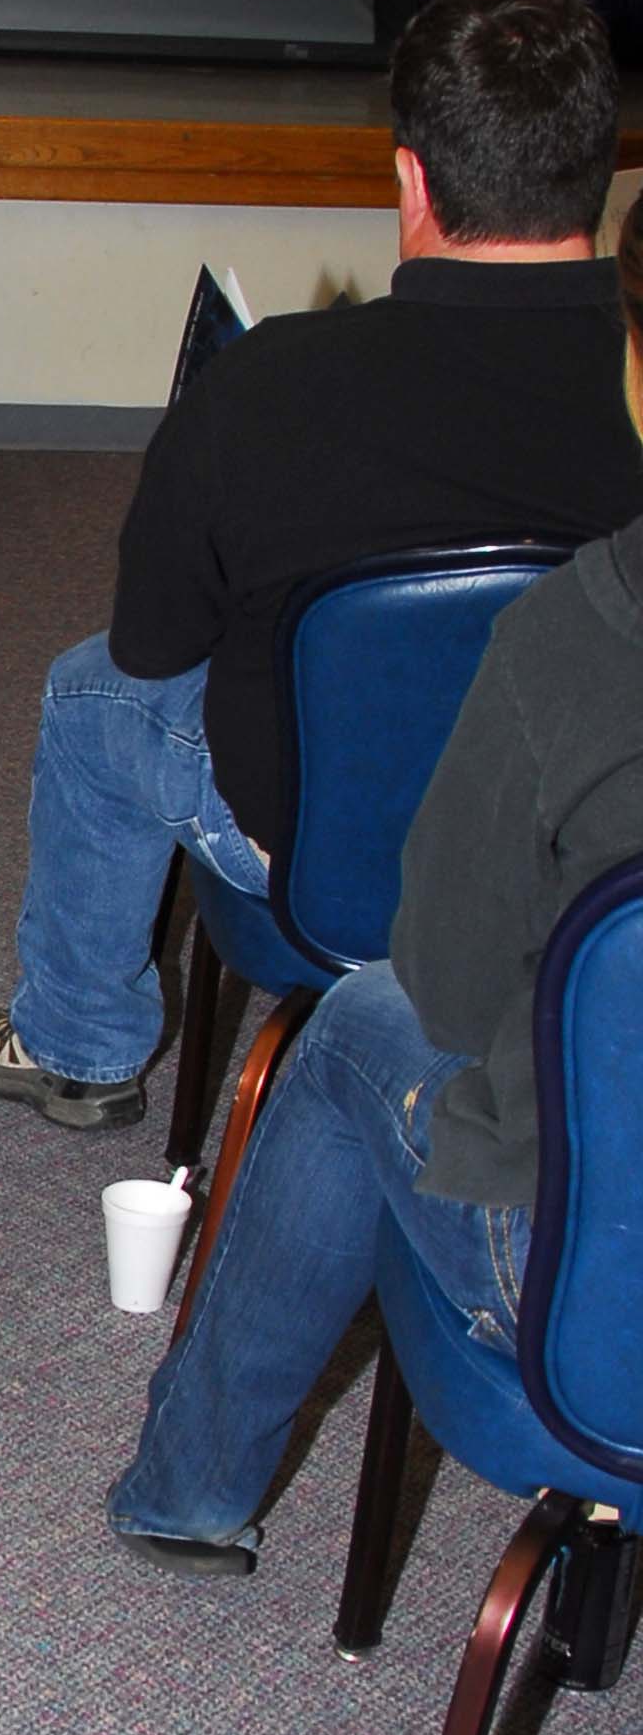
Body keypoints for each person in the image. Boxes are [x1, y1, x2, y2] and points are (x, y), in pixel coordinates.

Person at [0, 0, 643, 1128]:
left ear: (410, 177)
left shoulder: (268, 381)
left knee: (95, 694)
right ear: (603, 170)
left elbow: (152, 638)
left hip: (332, 863)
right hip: (596, 867)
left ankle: (79, 1045)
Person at [107, 183, 643, 1572]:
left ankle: (189, 1491)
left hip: (609, 1324)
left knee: (366, 1024)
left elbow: (455, 984)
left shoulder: (587, 630)